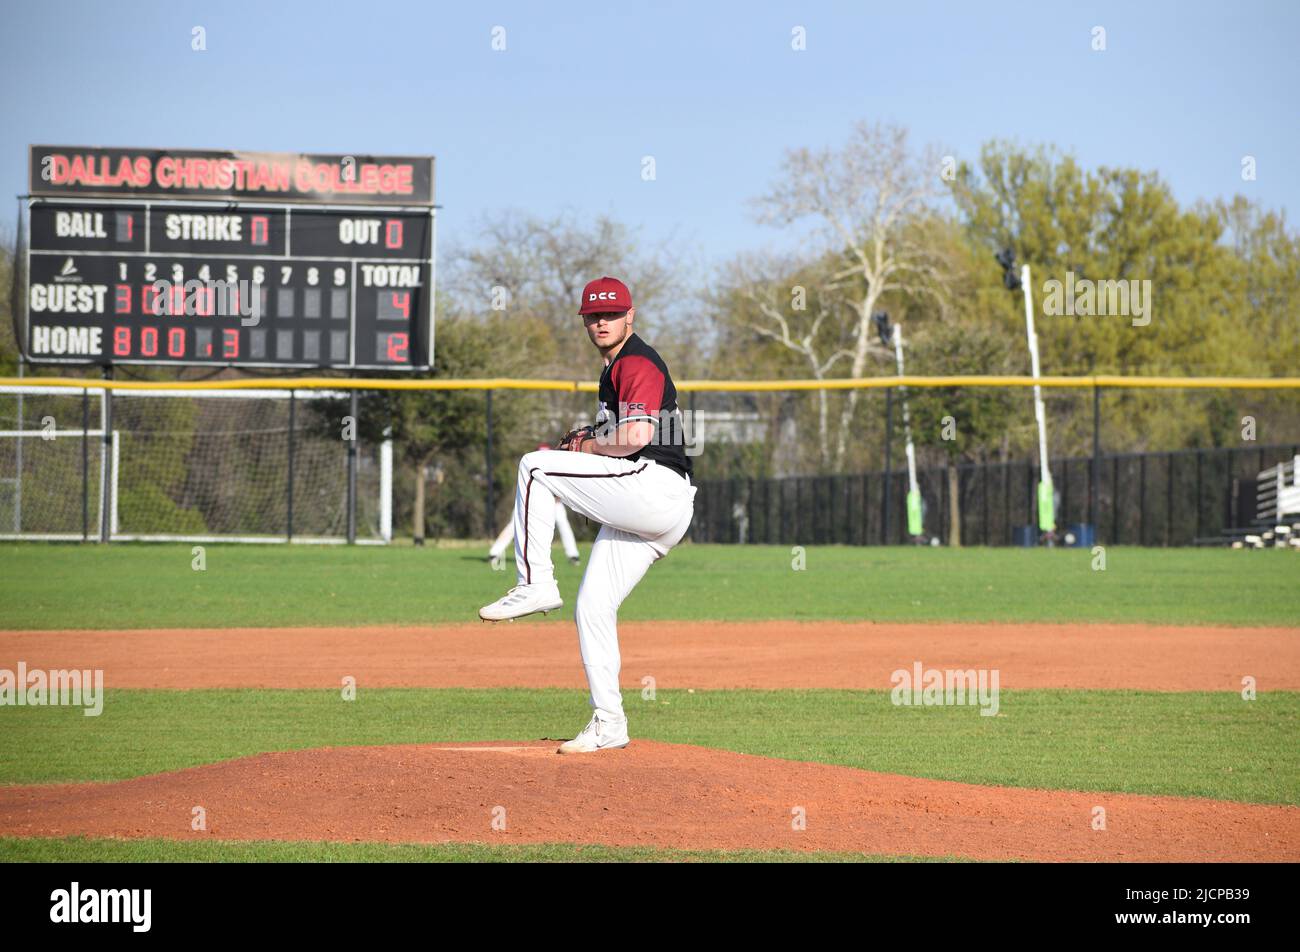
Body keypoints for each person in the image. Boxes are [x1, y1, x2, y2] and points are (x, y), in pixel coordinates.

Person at [479, 276, 696, 754]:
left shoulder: (636, 359)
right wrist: (593, 442)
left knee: (534, 467)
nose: (602, 321)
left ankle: (535, 584)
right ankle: (609, 721)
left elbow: (636, 436)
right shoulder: (611, 370)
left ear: (630, 316)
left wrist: (591, 445)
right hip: (655, 505)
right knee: (593, 609)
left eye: (611, 313)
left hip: (654, 485)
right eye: (594, 316)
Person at [487, 443, 581, 570]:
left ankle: (573, 555)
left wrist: (558, 495)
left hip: (554, 503)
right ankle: (495, 552)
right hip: (530, 501)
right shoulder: (530, 464)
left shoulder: (555, 465)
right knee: (514, 524)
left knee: (564, 524)